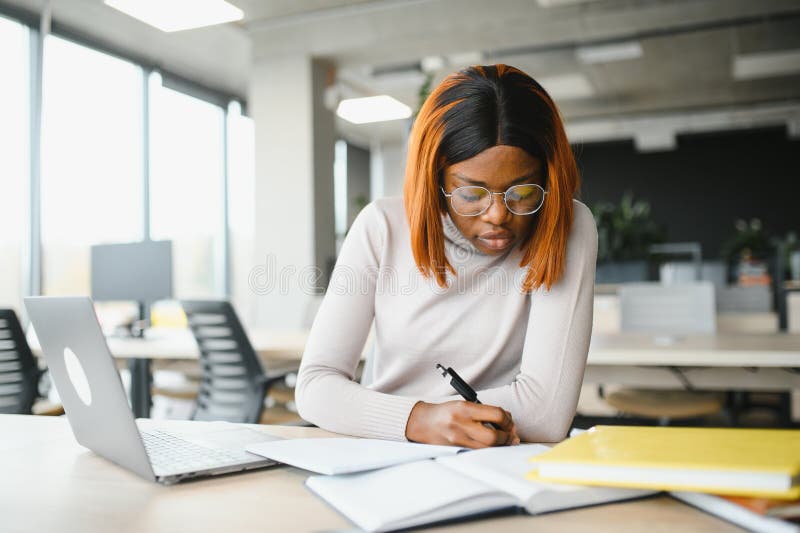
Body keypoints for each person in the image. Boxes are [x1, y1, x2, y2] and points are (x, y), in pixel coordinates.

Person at [295, 64, 598, 448]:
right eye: (471, 194)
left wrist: (412, 415)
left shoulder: (567, 225)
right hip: (383, 451)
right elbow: (315, 385)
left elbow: (545, 414)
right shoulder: (382, 226)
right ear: (435, 179)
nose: (498, 215)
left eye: (522, 193)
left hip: (498, 462)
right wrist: (419, 420)